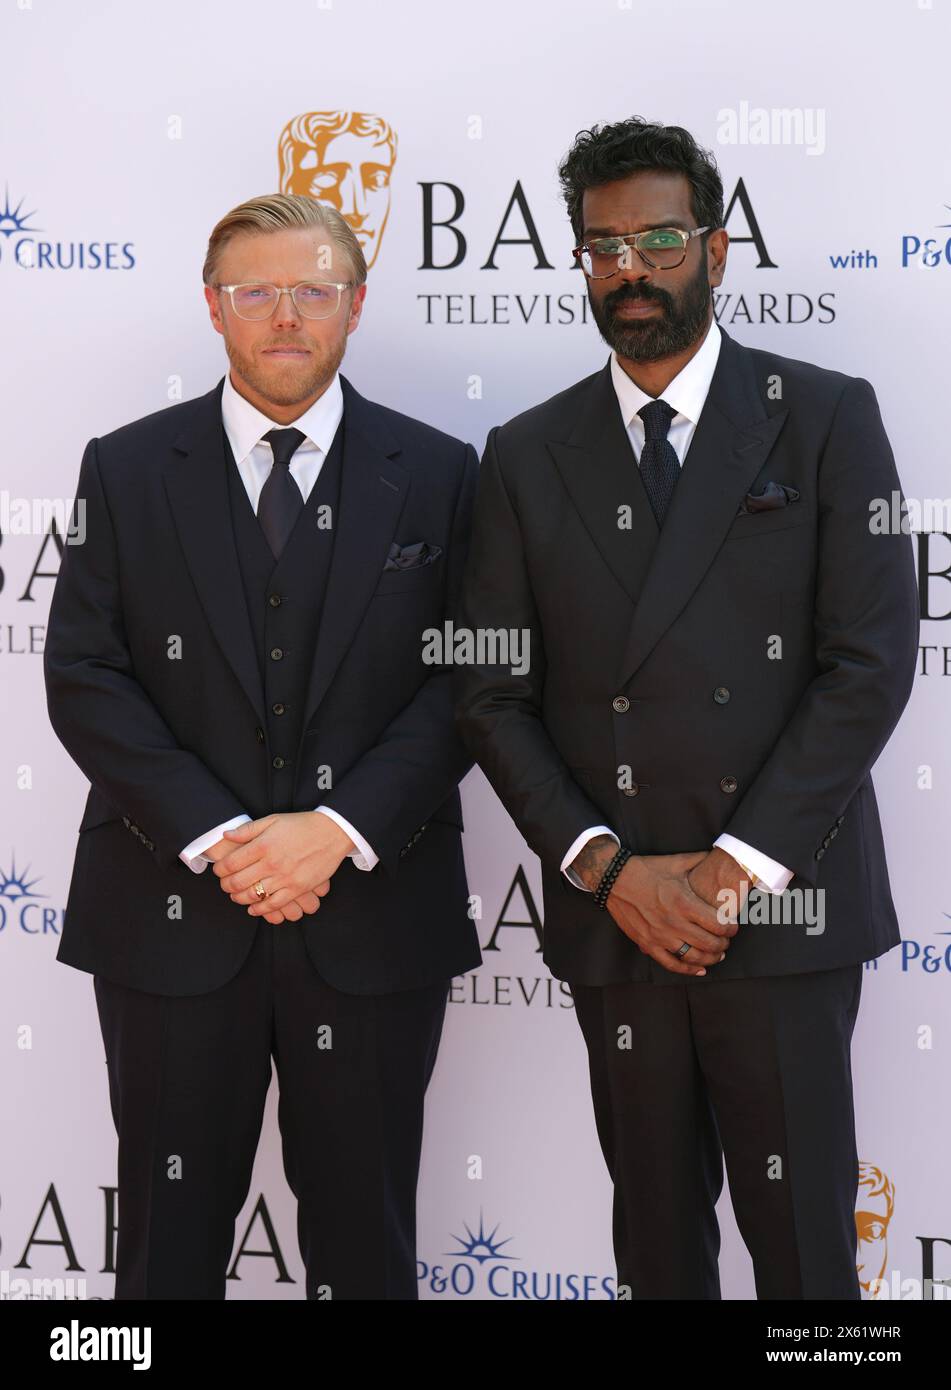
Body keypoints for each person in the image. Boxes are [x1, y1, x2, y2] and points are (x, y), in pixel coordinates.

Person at [454, 118, 918, 1300]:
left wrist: (731, 870)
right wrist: (611, 868)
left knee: (810, 1247)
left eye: (658, 239)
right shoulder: (525, 451)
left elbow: (866, 664)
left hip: (781, 900)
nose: (631, 270)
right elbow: (491, 690)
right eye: (602, 247)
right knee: (655, 1243)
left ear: (715, 245)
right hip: (621, 916)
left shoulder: (821, 416)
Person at [44, 192, 481, 1300]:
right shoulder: (126, 467)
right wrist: (222, 836)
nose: (286, 314)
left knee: (368, 1247)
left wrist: (336, 831)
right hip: (170, 916)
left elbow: (476, 676)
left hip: (374, 921)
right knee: (163, 1253)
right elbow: (85, 675)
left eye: (315, 290)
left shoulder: (443, 472)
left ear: (356, 304)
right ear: (214, 306)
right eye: (257, 292)